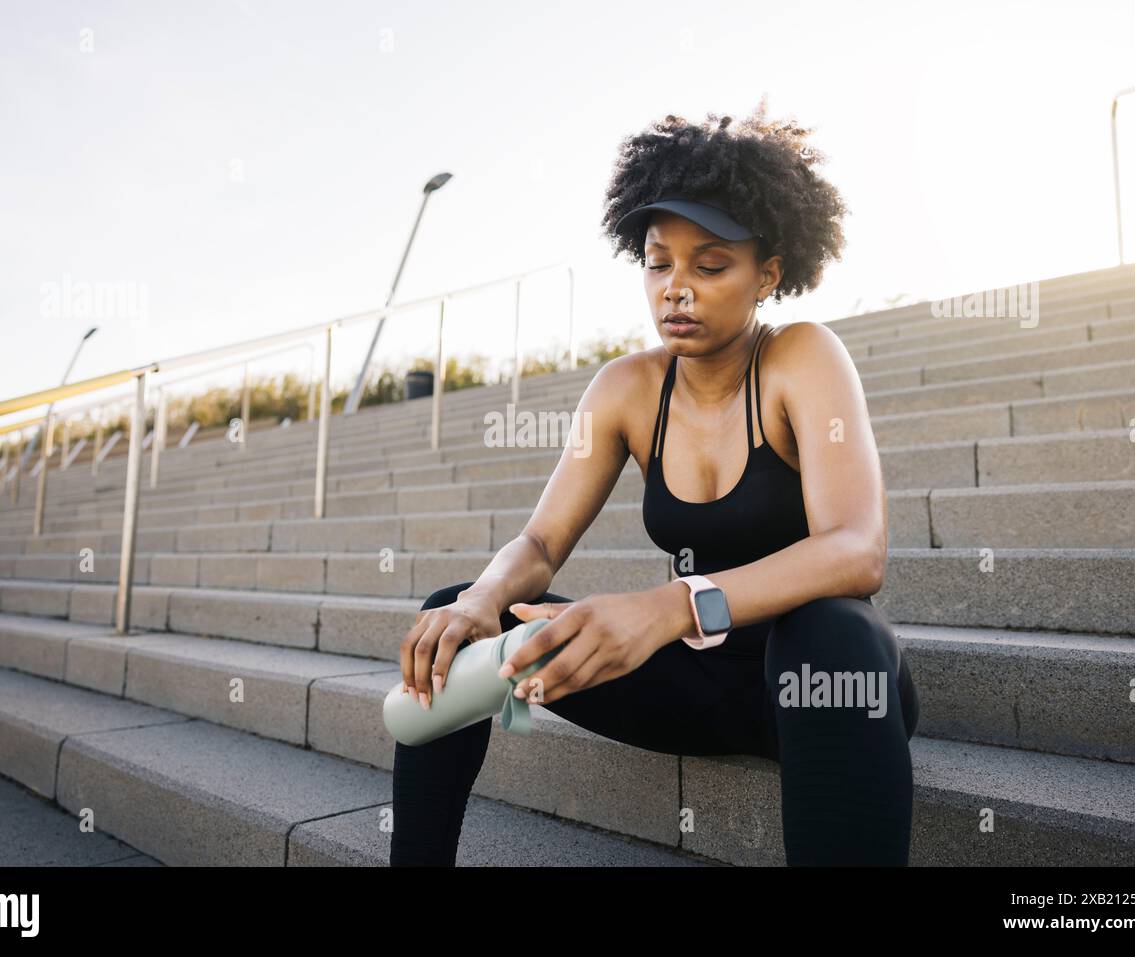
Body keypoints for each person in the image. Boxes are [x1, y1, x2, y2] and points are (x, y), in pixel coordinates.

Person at [391, 101, 919, 867]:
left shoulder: (804, 357)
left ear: (767, 274)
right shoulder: (623, 390)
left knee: (830, 627)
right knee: (457, 615)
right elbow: (540, 540)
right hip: (693, 686)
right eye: (657, 260)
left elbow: (856, 549)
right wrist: (481, 598)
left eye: (709, 265)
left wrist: (672, 605)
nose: (677, 287)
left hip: (819, 689)